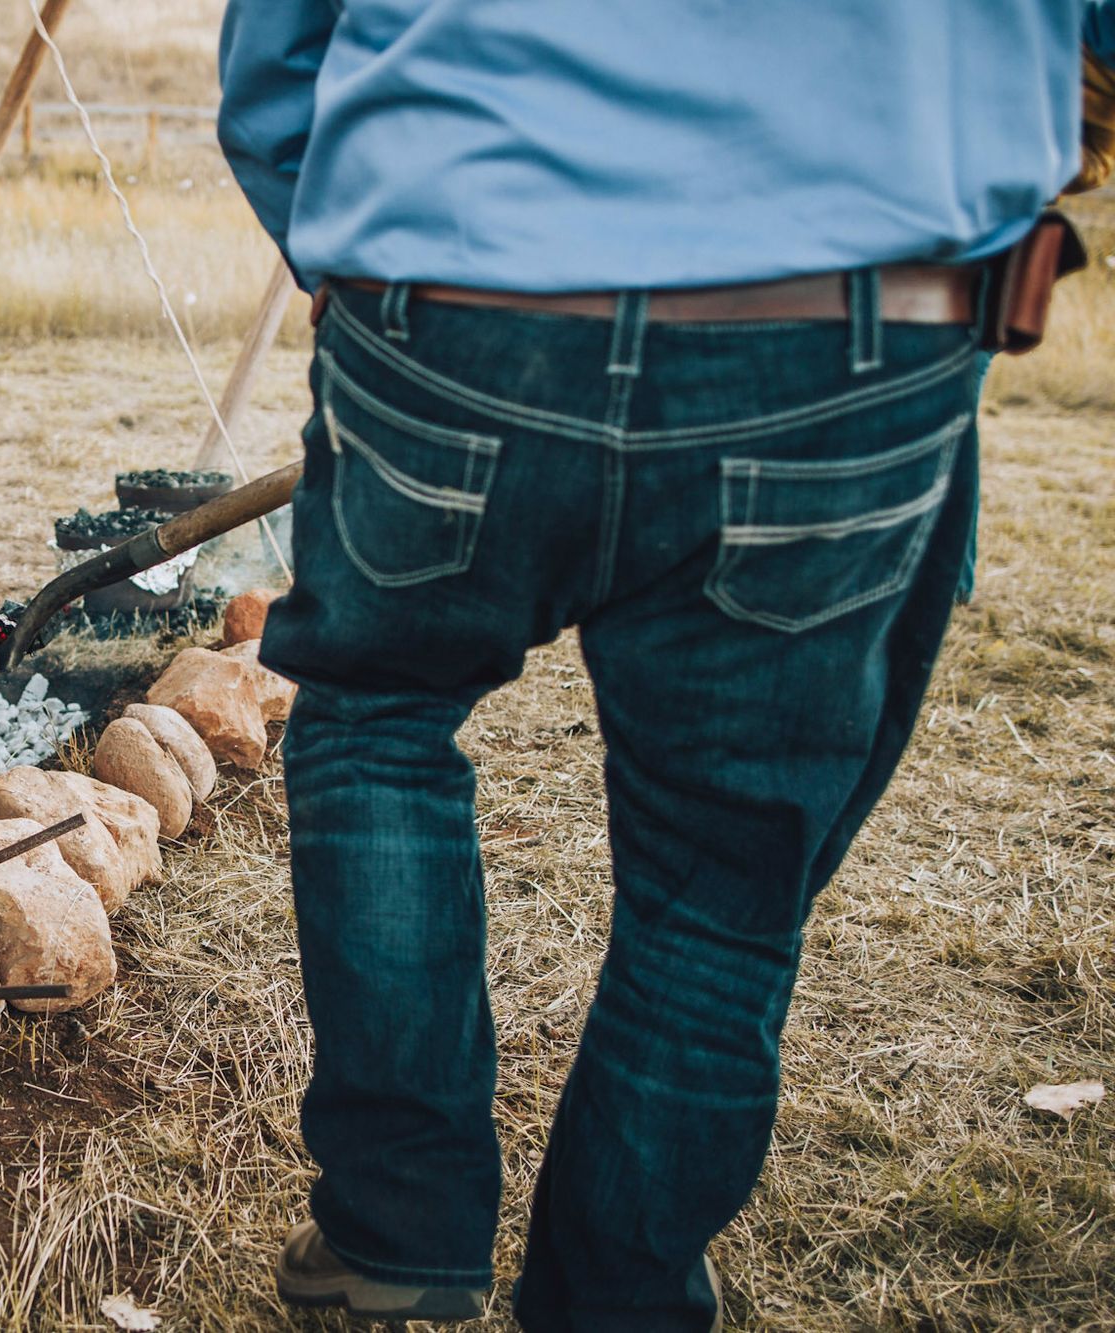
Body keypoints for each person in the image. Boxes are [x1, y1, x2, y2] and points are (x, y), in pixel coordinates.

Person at [218, 3, 1110, 1327]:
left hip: (457, 274)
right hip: (847, 312)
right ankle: (614, 1297)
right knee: (725, 868)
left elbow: (280, 47)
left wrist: (338, 228)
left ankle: (395, 1238)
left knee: (377, 726)